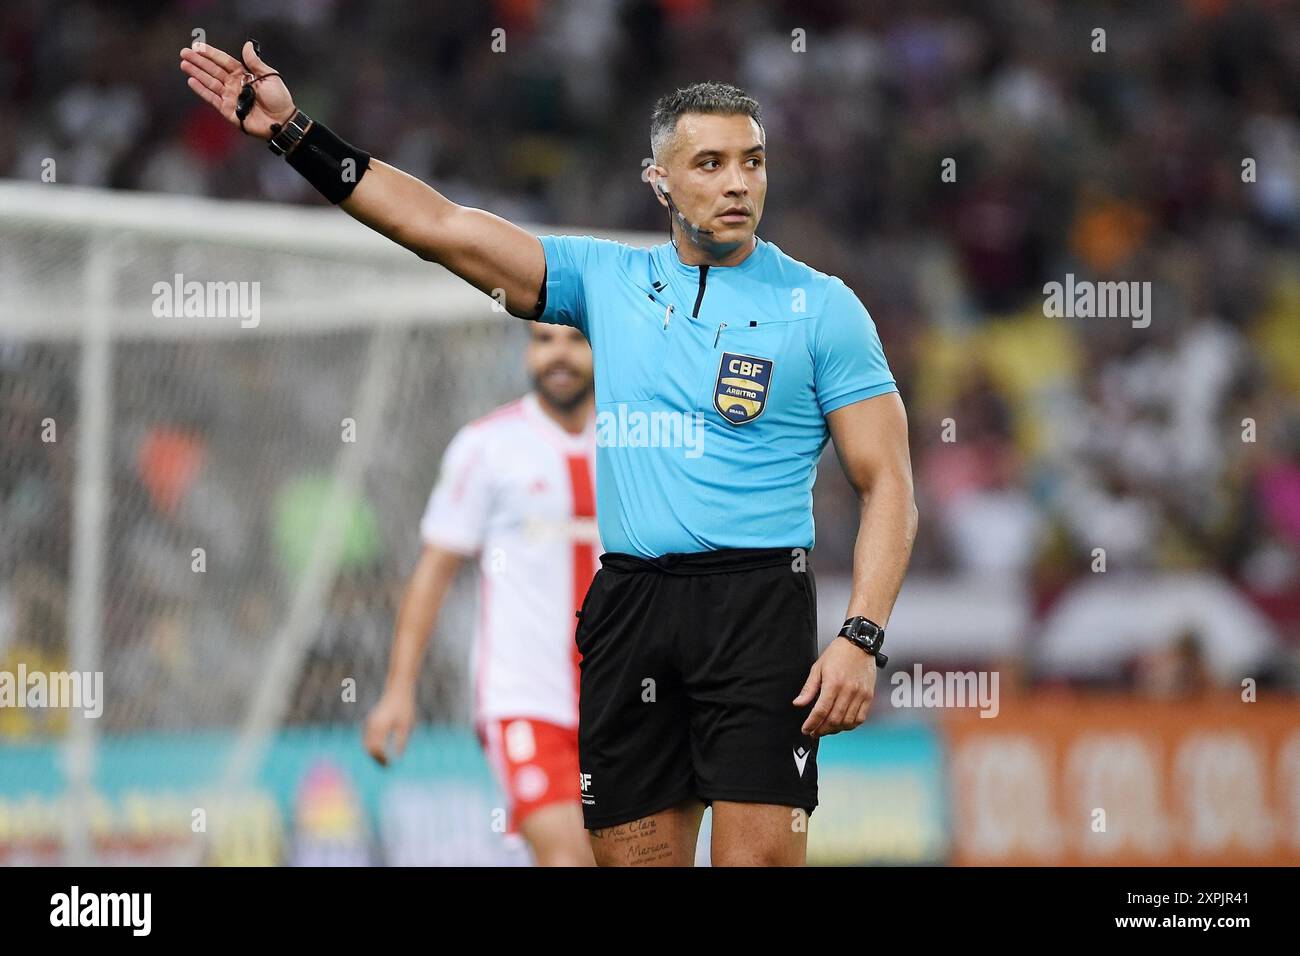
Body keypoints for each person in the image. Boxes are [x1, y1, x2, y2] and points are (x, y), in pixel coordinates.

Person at [179, 41, 918, 866]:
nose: (738, 182)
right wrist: (294, 134)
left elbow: (887, 481)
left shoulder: (823, 308)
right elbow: (439, 227)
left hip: (756, 607)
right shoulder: (603, 280)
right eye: (709, 163)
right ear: (660, 180)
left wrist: (861, 634)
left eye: (753, 161)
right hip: (630, 605)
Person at [363, 322, 598, 867]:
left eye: (573, 339)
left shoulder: (635, 444)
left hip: (624, 698)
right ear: (526, 353)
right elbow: (433, 570)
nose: (557, 354)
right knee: (567, 858)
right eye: (543, 340)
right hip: (524, 696)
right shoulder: (487, 446)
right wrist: (399, 688)